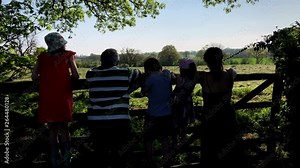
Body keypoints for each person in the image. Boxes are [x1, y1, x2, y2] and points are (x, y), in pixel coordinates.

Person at [85, 48, 142, 168]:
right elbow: (138, 73)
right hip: (119, 122)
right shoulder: (125, 73)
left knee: (100, 155)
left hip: (97, 122)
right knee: (121, 155)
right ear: (117, 61)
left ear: (101, 60)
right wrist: (128, 90)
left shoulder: (91, 73)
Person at [31, 32, 79, 168]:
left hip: (47, 97)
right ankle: (67, 159)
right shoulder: (68, 55)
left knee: (52, 128)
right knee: (64, 128)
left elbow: (34, 76)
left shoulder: (42, 57)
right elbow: (75, 75)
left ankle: (54, 159)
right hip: (63, 96)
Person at [196, 47, 239, 167]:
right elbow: (233, 71)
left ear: (206, 61)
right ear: (221, 59)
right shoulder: (230, 74)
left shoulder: (203, 77)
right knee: (228, 152)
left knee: (210, 153)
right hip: (227, 118)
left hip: (210, 119)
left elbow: (186, 73)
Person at [141, 57, 175, 168]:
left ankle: (150, 162)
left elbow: (144, 92)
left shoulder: (150, 78)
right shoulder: (167, 74)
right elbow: (168, 72)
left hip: (153, 114)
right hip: (167, 114)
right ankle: (166, 161)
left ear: (147, 69)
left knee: (148, 140)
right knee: (164, 139)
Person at [172, 57, 197, 144]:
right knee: (184, 121)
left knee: (177, 120)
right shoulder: (193, 79)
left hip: (179, 101)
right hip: (188, 100)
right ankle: (184, 138)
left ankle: (176, 141)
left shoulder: (180, 79)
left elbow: (176, 90)